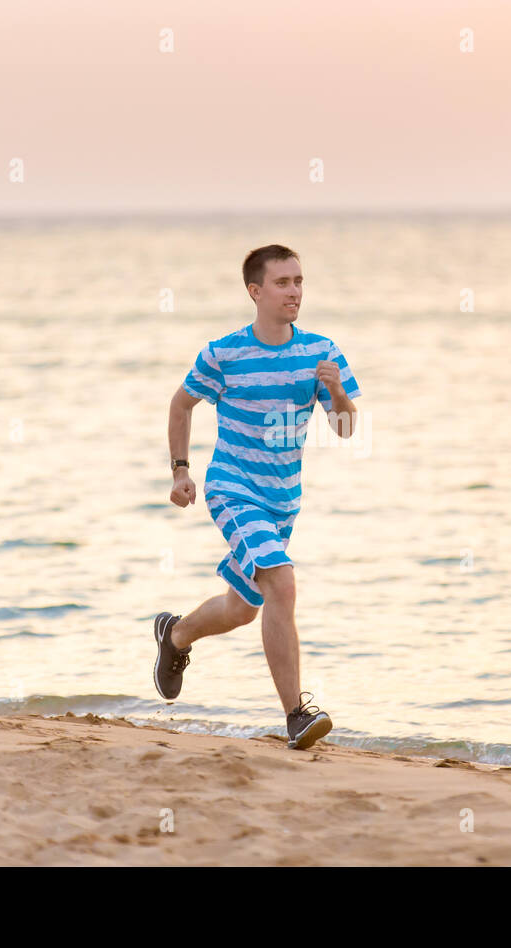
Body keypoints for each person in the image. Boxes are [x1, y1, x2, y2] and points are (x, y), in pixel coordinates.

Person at [154, 244, 361, 750]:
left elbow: (347, 427)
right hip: (232, 487)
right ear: (256, 291)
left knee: (243, 606)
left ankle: (175, 636)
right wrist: (181, 471)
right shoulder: (223, 353)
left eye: (299, 281)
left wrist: (336, 393)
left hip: (283, 500)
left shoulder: (321, 352)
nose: (294, 291)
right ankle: (296, 715)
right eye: (283, 283)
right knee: (283, 585)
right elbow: (182, 405)